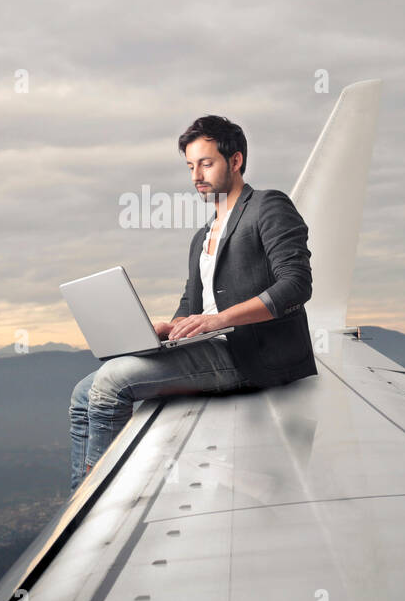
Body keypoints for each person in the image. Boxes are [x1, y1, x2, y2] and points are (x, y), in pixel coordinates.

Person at [68, 114, 318, 491]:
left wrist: (218, 321)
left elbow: (296, 285)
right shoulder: (203, 233)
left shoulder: (268, 207)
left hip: (247, 352)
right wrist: (171, 327)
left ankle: (97, 499)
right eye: (190, 166)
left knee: (110, 385)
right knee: (82, 393)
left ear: (235, 161)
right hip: (208, 344)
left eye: (206, 163)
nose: (196, 175)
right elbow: (192, 301)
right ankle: (79, 494)